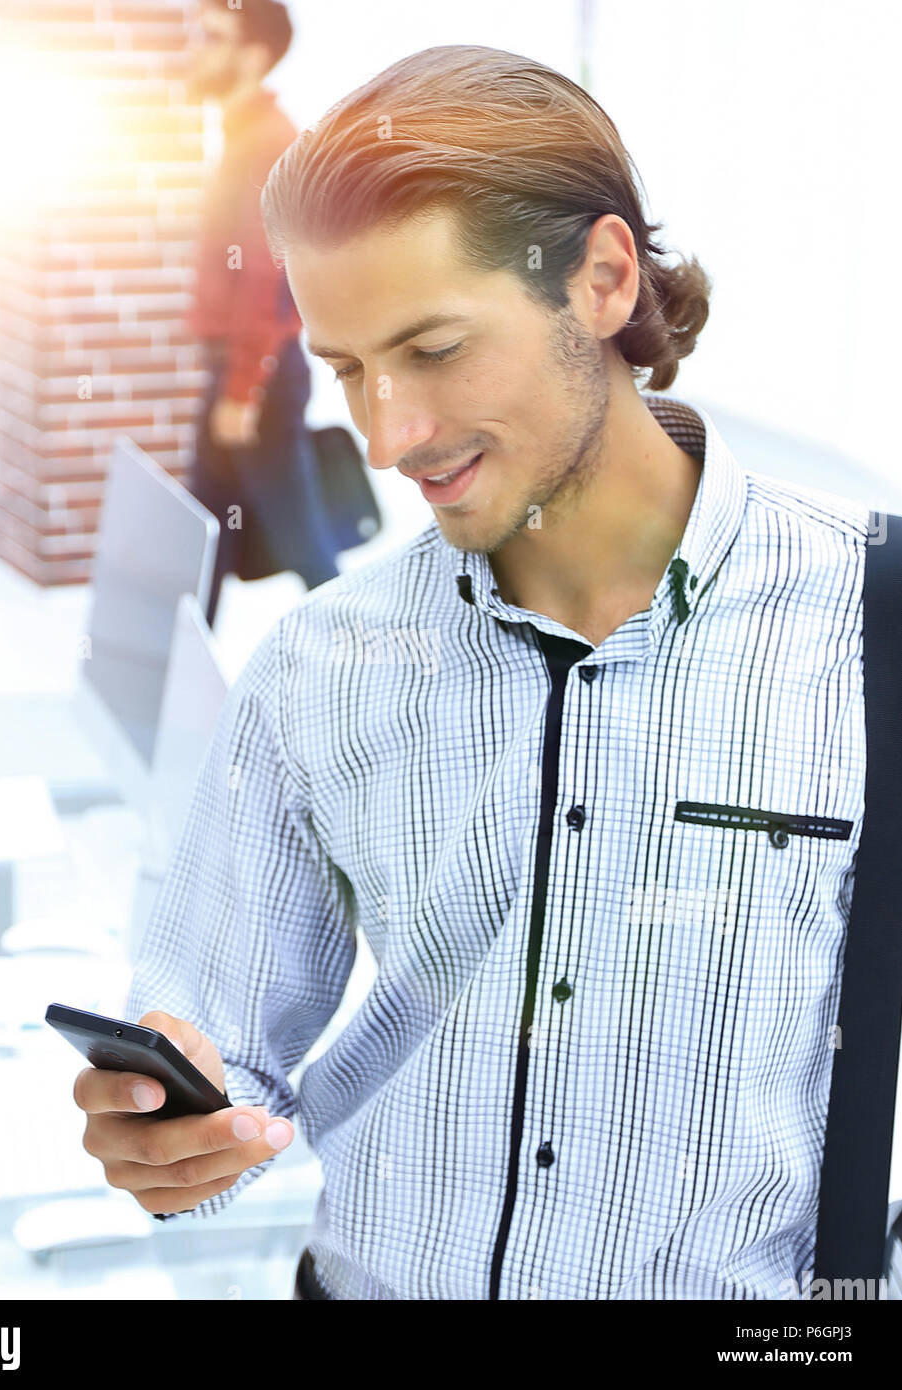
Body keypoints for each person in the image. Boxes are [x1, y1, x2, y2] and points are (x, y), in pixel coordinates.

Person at [73, 46, 867, 1300]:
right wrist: (172, 1125)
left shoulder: (861, 636)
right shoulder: (321, 667)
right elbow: (215, 1057)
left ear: (603, 280)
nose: (386, 435)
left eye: (435, 348)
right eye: (345, 370)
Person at [185, 0, 338, 627]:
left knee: (303, 545)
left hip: (260, 381)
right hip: (242, 372)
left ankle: (374, 673)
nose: (194, 47)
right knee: (204, 536)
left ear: (251, 55)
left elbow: (267, 282)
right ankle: (181, 683)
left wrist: (244, 388)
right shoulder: (242, 135)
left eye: (212, 36)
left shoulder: (268, 144)